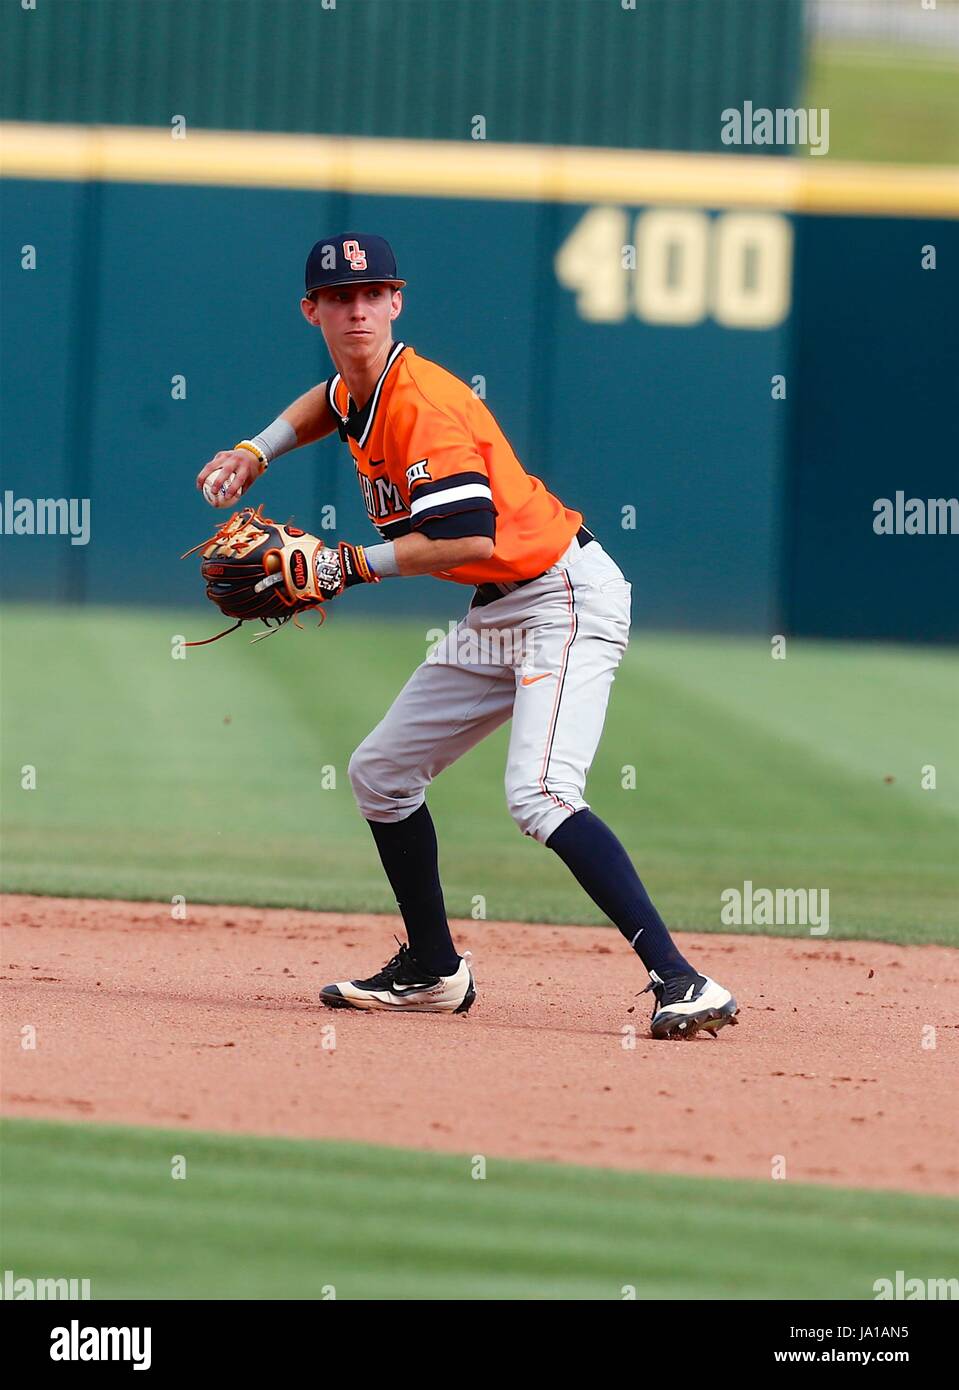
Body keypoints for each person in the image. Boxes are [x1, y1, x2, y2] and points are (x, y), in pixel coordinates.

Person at [196, 233, 738, 1039]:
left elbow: (469, 538)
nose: (357, 309)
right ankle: (432, 970)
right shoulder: (360, 383)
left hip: (563, 596)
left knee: (541, 794)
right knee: (380, 773)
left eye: (371, 293)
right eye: (339, 297)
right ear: (311, 309)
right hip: (501, 610)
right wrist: (255, 449)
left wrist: (345, 566)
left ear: (395, 302)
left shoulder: (423, 403)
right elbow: (328, 403)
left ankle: (683, 979)